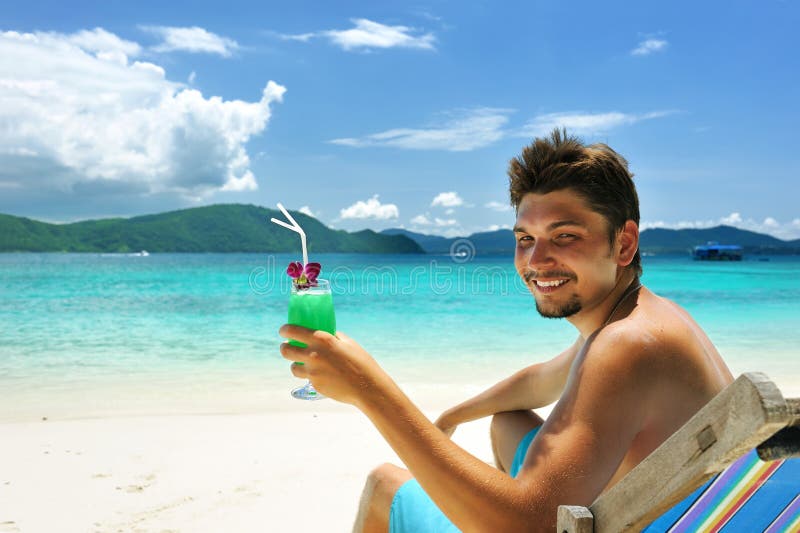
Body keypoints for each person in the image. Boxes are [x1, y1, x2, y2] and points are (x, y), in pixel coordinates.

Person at [279, 129, 734, 532]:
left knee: (384, 484)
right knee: (507, 422)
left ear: (624, 243)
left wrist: (368, 390)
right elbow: (539, 381)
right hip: (663, 511)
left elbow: (530, 526)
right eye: (524, 239)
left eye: (565, 236)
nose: (536, 262)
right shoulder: (646, 319)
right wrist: (456, 415)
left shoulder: (627, 345)